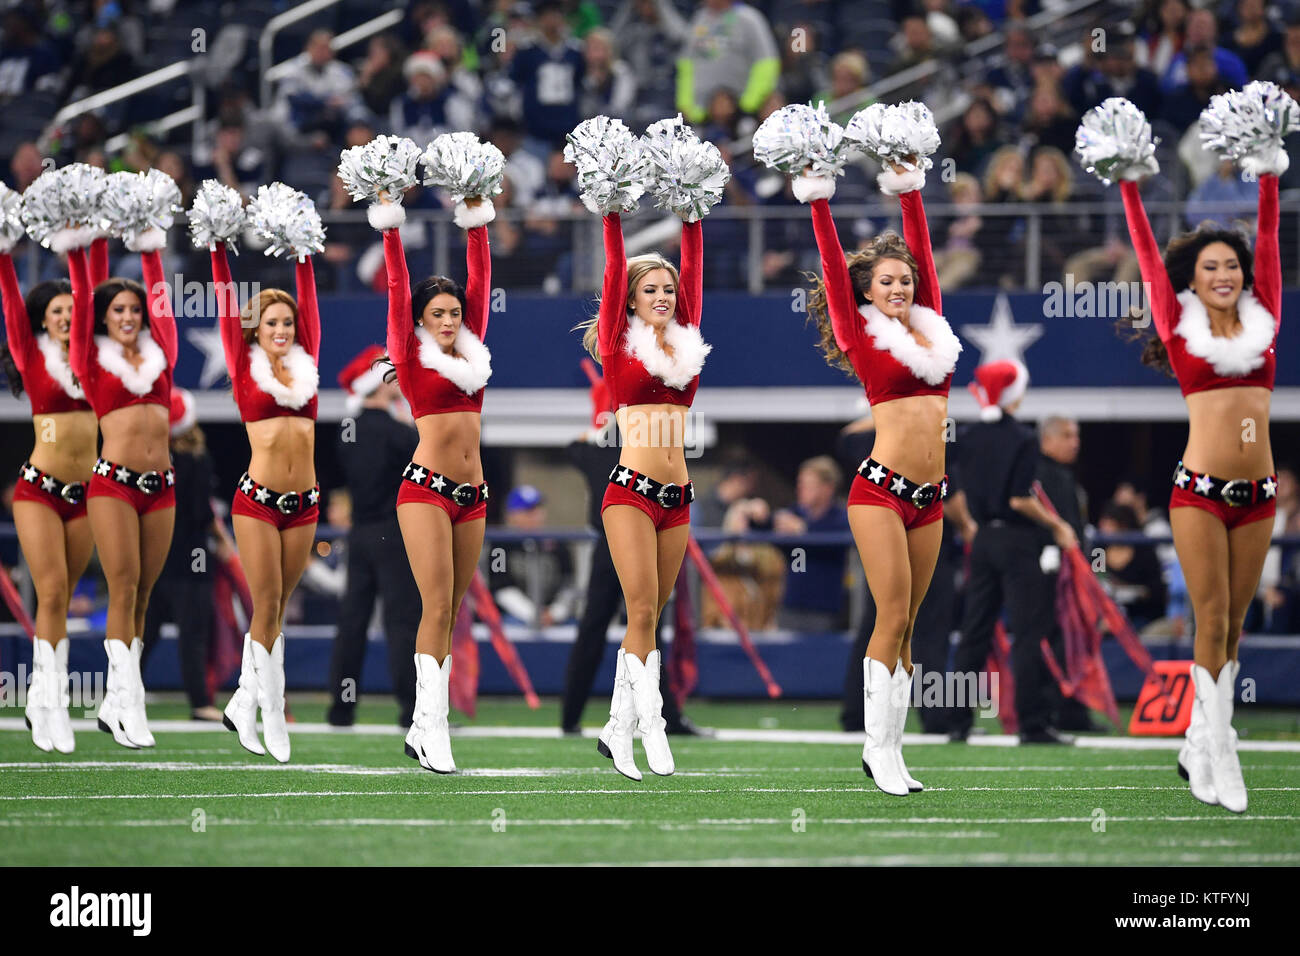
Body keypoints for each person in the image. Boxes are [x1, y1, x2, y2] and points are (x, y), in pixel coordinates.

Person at [1116, 122, 1283, 814]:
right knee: (1208, 620)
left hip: (1260, 496)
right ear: (1195, 278)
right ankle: (1221, 751)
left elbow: (1269, 243)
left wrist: (1269, 172)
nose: (1224, 274)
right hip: (1199, 496)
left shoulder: (1265, 318)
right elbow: (1152, 258)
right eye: (1210, 266)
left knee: (1235, 627)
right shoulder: (1180, 328)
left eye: (1231, 266)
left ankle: (1197, 740)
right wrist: (1129, 183)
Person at [798, 149, 962, 795]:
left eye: (905, 281)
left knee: (910, 625)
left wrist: (910, 189)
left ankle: (894, 747)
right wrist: (817, 198)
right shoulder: (860, 333)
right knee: (889, 615)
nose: (899, 288)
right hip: (880, 493)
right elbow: (835, 265)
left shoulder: (934, 329)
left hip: (931, 497)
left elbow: (921, 247)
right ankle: (877, 749)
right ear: (867, 291)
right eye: (886, 281)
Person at [574, 175, 712, 782]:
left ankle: (614, 728)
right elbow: (611, 274)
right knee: (639, 609)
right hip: (629, 492)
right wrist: (611, 215)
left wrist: (692, 212)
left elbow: (696, 272)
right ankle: (650, 727)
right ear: (630, 300)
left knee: (650, 616)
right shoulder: (616, 343)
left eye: (668, 288)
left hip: (677, 498)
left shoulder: (686, 343)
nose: (663, 295)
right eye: (650, 289)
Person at [370, 177, 495, 774]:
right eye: (437, 313)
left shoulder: (473, 353)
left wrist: (476, 221)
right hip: (424, 492)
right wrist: (391, 225)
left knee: (454, 607)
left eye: (453, 312)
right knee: (437, 605)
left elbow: (481, 282)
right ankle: (433, 725)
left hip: (474, 496)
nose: (448, 319)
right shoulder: (411, 351)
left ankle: (423, 726)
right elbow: (396, 288)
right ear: (420, 321)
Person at [206, 214, 323, 764]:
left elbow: (310, 304)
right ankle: (271, 713)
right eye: (272, 322)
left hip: (305, 507)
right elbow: (228, 303)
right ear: (256, 329)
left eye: (288, 323)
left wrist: (302, 253)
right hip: (257, 502)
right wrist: (216, 247)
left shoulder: (308, 365)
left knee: (278, 608)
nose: (282, 329)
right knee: (267, 602)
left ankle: (243, 700)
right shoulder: (243, 366)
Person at [68, 216, 179, 751]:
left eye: (135, 309)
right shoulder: (90, 360)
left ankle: (115, 702)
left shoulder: (162, 358)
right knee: (125, 586)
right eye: (119, 310)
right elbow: (85, 295)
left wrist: (151, 249)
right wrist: (83, 243)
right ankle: (128, 701)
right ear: (103, 319)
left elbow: (162, 305)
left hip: (162, 487)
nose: (130, 316)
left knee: (144, 596)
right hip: (113, 485)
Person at [1, 225, 101, 754]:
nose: (65, 317)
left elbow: (95, 294)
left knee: (66, 594)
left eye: (72, 311)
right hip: (39, 488)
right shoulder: (31, 354)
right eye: (56, 312)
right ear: (44, 319)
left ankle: (43, 696)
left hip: (85, 496)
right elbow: (11, 301)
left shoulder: (93, 361)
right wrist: (4, 252)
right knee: (54, 590)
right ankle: (53, 697)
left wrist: (90, 245)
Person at [944, 360, 1079, 745]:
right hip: (1019, 543)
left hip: (983, 539)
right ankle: (1032, 724)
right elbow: (1021, 500)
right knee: (1027, 632)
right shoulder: (1023, 438)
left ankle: (959, 723)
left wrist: (974, 527)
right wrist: (1058, 525)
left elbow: (959, 488)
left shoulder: (967, 436)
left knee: (974, 631)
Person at [328, 345, 422, 728]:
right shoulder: (401, 434)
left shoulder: (347, 433)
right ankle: (411, 708)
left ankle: (341, 708)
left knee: (353, 621)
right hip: (394, 534)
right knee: (402, 623)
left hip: (359, 534)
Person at [139, 389, 229, 722]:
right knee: (194, 635)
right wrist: (223, 543)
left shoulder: (154, 460)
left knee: (145, 631)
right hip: (191, 559)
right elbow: (202, 514)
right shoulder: (197, 460)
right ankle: (200, 702)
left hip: (156, 556)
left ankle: (121, 692)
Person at [773, 456, 850, 632]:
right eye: (800, 484)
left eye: (808, 485)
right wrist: (753, 513)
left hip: (823, 609)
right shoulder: (794, 512)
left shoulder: (840, 518)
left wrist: (804, 529)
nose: (801, 490)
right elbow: (769, 523)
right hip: (790, 606)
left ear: (827, 488)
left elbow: (836, 536)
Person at [491, 486, 579, 627]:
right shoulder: (500, 547)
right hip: (515, 616)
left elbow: (568, 585)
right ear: (512, 515)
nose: (537, 515)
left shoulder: (558, 544)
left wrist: (555, 613)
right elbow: (501, 588)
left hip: (554, 616)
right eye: (528, 511)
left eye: (539, 509)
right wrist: (533, 614)